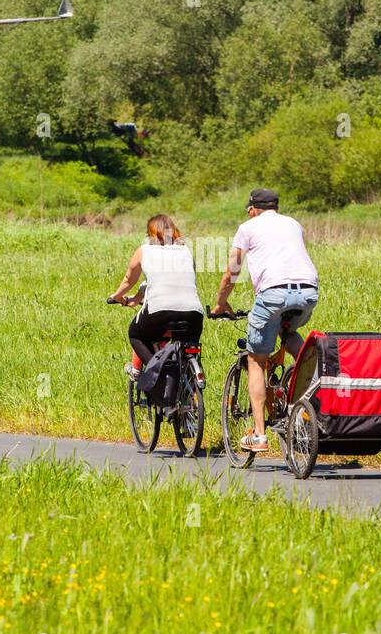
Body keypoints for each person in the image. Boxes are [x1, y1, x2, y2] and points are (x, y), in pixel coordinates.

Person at [211, 188, 319, 453]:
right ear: (276, 208)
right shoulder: (294, 224)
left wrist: (221, 304)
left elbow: (231, 271)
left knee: (256, 359)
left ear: (252, 209)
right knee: (289, 333)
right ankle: (316, 375)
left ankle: (259, 434)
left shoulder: (247, 227)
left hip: (273, 293)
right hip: (308, 291)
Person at [108, 213, 203, 380]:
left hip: (160, 310)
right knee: (189, 349)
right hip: (193, 311)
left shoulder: (144, 250)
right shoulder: (186, 250)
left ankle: (157, 373)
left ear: (150, 233)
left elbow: (128, 280)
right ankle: (190, 391)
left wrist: (116, 296)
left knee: (135, 334)